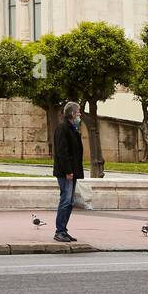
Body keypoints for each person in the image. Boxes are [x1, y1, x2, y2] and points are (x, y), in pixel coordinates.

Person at [52, 101, 85, 243]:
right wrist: (68, 171)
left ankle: (63, 230)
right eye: (78, 112)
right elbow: (62, 151)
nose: (80, 115)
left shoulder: (72, 128)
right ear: (72, 113)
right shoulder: (63, 128)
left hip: (72, 171)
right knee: (65, 201)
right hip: (66, 172)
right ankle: (59, 231)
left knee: (69, 202)